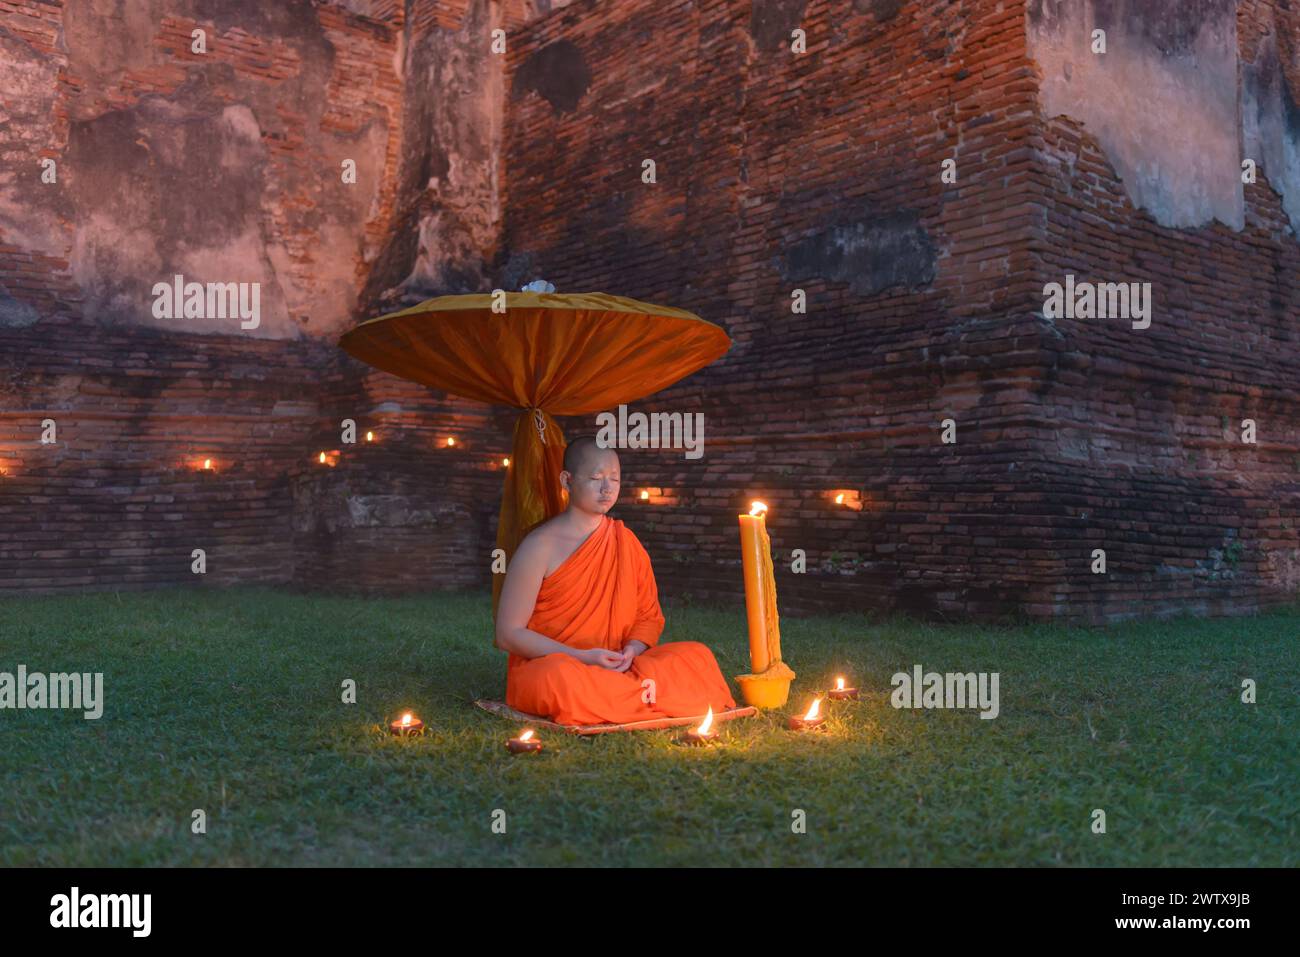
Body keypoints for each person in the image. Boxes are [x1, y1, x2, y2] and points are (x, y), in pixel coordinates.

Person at [495, 436, 736, 726]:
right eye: (596, 478)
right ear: (567, 480)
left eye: (615, 479)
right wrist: (581, 656)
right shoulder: (539, 546)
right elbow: (508, 634)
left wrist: (631, 651)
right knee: (560, 680)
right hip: (558, 663)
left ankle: (620, 696)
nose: (607, 488)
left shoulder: (626, 541)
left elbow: (647, 616)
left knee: (696, 656)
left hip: (618, 663)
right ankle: (642, 697)